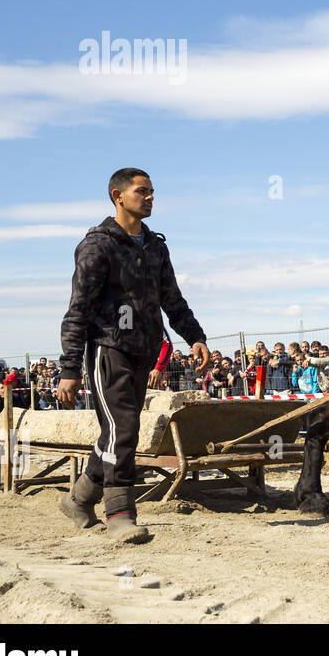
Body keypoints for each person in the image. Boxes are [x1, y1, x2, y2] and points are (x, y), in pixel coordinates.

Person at [56, 167, 209, 543]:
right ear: (117, 196)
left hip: (145, 351)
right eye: (143, 191)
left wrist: (195, 337)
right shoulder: (98, 245)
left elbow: (172, 299)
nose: (151, 197)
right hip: (108, 351)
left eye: (153, 191)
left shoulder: (156, 246)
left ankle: (77, 499)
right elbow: (78, 309)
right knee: (124, 430)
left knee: (116, 432)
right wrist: (69, 368)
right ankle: (120, 514)